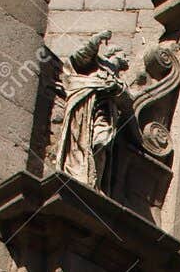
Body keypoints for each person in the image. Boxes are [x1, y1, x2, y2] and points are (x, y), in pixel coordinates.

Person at [53, 32, 128, 188]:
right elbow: (80, 56)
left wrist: (116, 88)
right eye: (124, 55)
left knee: (102, 142)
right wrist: (96, 40)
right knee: (83, 141)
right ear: (114, 54)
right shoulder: (97, 63)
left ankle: (95, 184)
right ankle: (81, 176)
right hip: (85, 108)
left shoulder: (119, 80)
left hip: (105, 115)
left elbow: (127, 100)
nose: (127, 58)